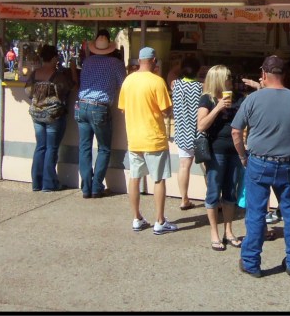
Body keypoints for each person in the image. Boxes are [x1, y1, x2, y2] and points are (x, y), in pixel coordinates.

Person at [231, 55, 290, 277]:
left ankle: (251, 262)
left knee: (256, 213)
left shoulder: (252, 100)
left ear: (264, 74)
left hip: (258, 161)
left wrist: (242, 156)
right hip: (287, 164)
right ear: (285, 74)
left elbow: (236, 131)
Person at [118, 47, 178, 234]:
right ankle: (159, 221)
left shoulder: (128, 81)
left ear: (139, 61)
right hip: (154, 138)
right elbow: (166, 110)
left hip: (134, 138)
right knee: (158, 180)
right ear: (154, 61)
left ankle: (136, 218)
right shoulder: (157, 81)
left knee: (134, 178)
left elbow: (122, 108)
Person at [76, 29, 127, 199]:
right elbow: (123, 84)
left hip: (82, 105)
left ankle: (86, 187)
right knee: (104, 148)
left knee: (84, 147)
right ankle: (97, 186)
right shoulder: (115, 64)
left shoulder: (87, 62)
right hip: (100, 107)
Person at [198, 64, 244, 251]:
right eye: (228, 77)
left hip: (234, 150)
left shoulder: (239, 98)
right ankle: (214, 233)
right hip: (216, 151)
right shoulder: (207, 100)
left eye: (231, 77)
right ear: (218, 80)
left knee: (230, 192)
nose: (231, 80)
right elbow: (201, 126)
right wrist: (217, 108)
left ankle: (229, 231)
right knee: (214, 191)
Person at [25, 45, 75, 192]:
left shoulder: (34, 74)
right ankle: (49, 183)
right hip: (54, 115)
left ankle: (36, 182)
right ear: (53, 58)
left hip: (37, 115)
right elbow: (71, 87)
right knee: (51, 148)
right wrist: (72, 70)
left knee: (40, 147)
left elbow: (28, 92)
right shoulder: (58, 76)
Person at [171, 55, 203, 211]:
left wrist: (179, 65)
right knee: (207, 167)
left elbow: (172, 74)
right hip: (199, 133)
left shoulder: (175, 85)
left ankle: (184, 199)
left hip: (182, 133)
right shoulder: (200, 87)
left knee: (184, 166)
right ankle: (213, 198)